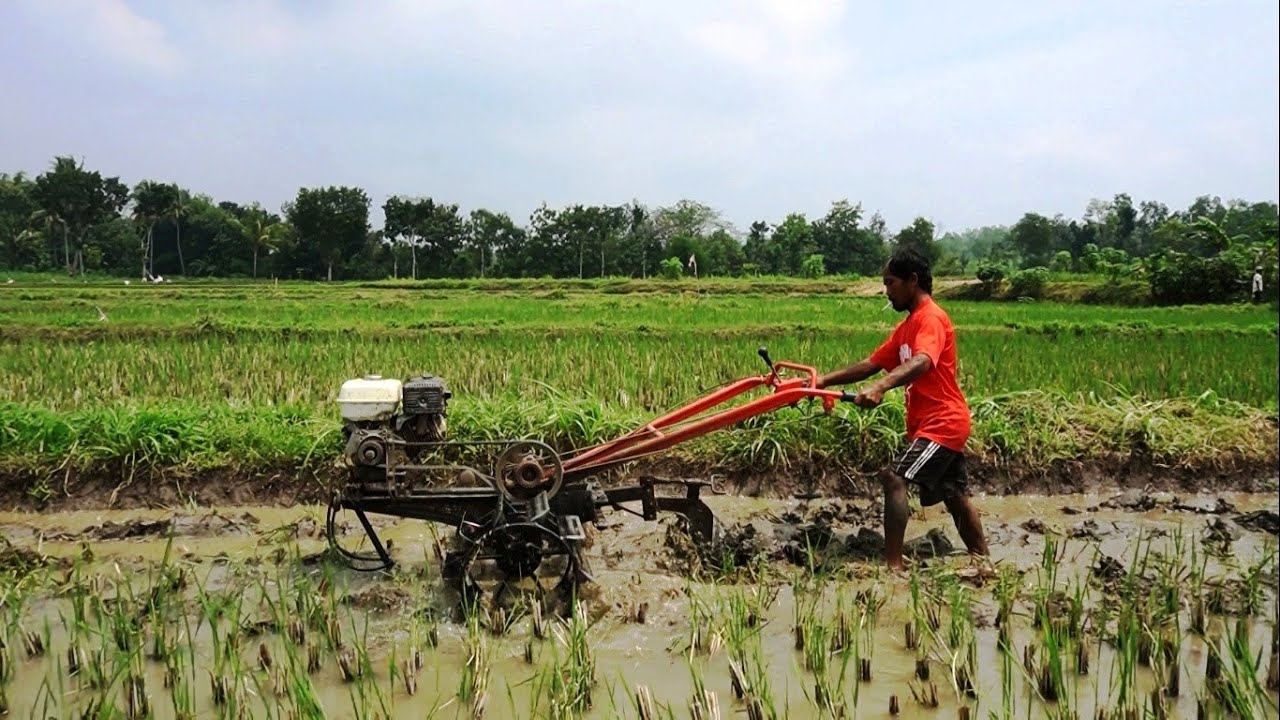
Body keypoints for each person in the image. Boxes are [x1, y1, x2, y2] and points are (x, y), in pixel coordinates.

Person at [817, 247, 988, 571]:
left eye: (890, 282)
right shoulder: (907, 327)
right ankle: (982, 560)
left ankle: (893, 567)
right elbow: (872, 364)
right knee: (954, 494)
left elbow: (923, 361)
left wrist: (882, 387)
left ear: (913, 280)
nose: (887, 290)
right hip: (931, 422)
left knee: (895, 478)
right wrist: (822, 380)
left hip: (944, 420)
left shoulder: (931, 319)